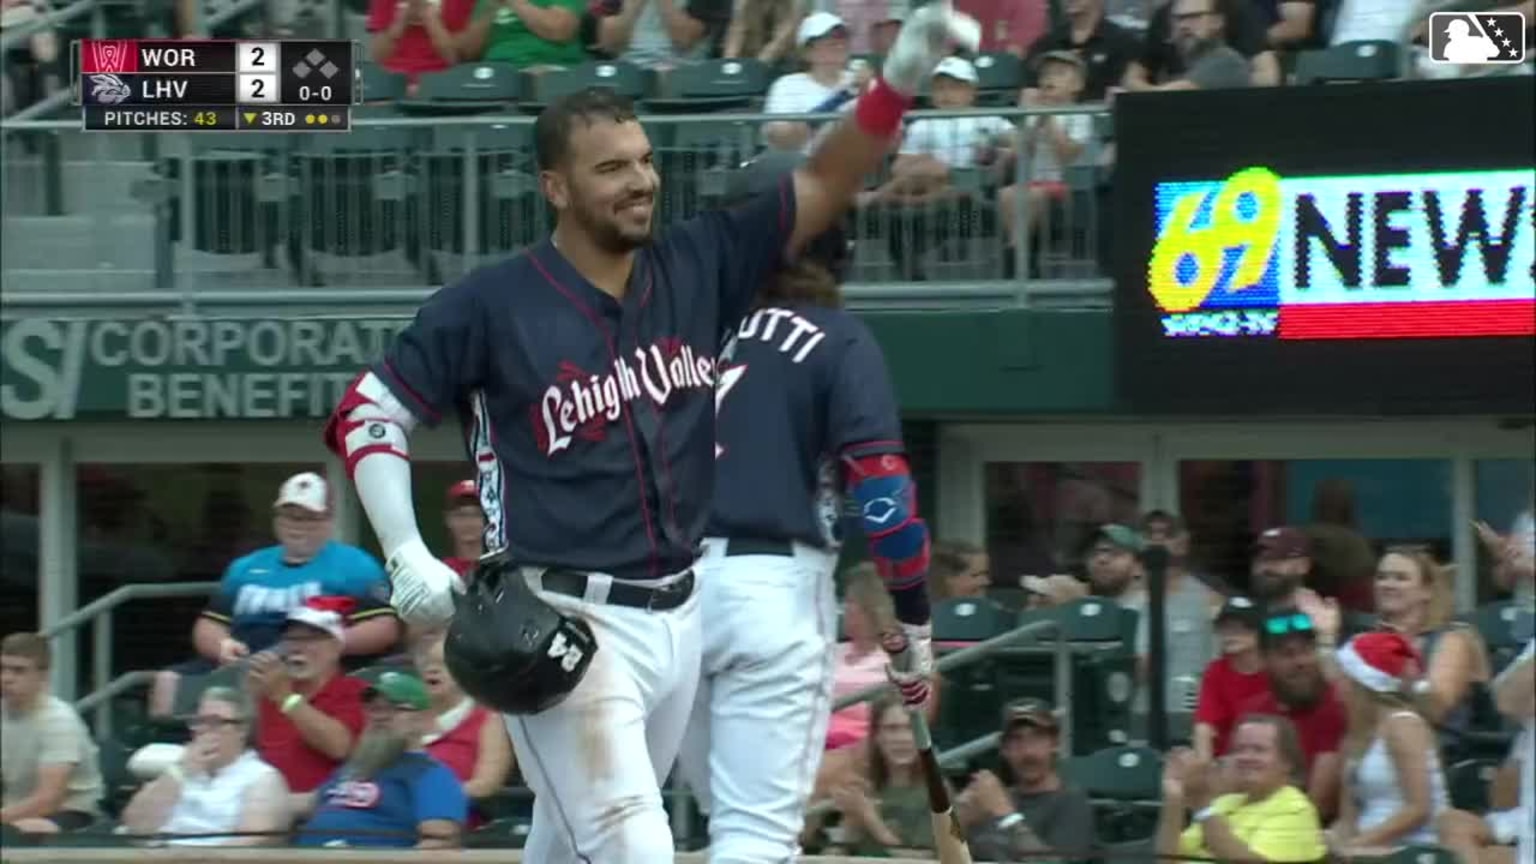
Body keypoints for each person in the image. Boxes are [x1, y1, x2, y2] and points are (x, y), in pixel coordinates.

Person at [321, 5, 979, 859]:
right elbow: (367, 412)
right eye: (610, 169)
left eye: (644, 161)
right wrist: (405, 550)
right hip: (559, 617)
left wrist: (895, 83)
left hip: (682, 612)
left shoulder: (696, 265)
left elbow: (824, 182)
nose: (638, 181)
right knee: (638, 845)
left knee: (568, 842)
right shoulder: (491, 305)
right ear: (556, 187)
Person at [673, 149, 937, 864]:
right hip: (769, 593)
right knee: (755, 839)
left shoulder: (671, 342)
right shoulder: (838, 338)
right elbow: (883, 501)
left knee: (710, 828)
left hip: (659, 601)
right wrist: (912, 617)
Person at [149, 472, 400, 718]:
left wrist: (330, 644)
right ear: (277, 519)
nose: (297, 526)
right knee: (168, 681)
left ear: (328, 521)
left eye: (308, 518)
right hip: (245, 657)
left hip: (310, 661)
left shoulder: (355, 565)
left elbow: (384, 627)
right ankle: (178, 748)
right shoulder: (245, 567)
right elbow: (209, 623)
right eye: (290, 517)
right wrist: (222, 645)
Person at [293, 671, 468, 849]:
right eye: (374, 709)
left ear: (422, 719)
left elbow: (440, 844)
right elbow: (308, 805)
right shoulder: (353, 769)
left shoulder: (430, 774)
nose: (380, 716)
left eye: (393, 708)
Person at [119, 687, 291, 846]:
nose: (203, 730)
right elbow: (136, 828)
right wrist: (179, 772)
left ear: (242, 729)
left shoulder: (261, 777)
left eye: (215, 722)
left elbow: (251, 844)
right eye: (199, 721)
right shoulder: (177, 770)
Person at [1330, 631, 1450, 856]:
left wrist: (1356, 845)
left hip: (1416, 848)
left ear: (1362, 684)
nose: (1337, 686)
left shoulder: (1403, 726)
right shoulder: (1354, 738)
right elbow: (1348, 818)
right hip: (1367, 848)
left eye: (1343, 678)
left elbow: (1419, 809)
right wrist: (1332, 840)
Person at [1157, 715, 1328, 863]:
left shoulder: (1295, 809)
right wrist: (1174, 798)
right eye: (1240, 749)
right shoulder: (1223, 803)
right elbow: (1167, 860)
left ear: (1287, 763)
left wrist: (1203, 806)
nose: (1246, 757)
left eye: (1259, 750)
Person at [959, 699, 1094, 861]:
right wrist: (960, 819)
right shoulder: (990, 800)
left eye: (1037, 738)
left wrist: (1007, 816)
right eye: (1016, 740)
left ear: (1055, 744)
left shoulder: (1071, 802)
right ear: (1004, 749)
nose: (1028, 752)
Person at [0, 633, 104, 834]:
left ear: (42, 676)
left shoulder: (59, 720)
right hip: (12, 806)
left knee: (27, 830)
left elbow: (49, 799)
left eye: (18, 671)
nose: (6, 678)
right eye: (2, 668)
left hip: (70, 810)